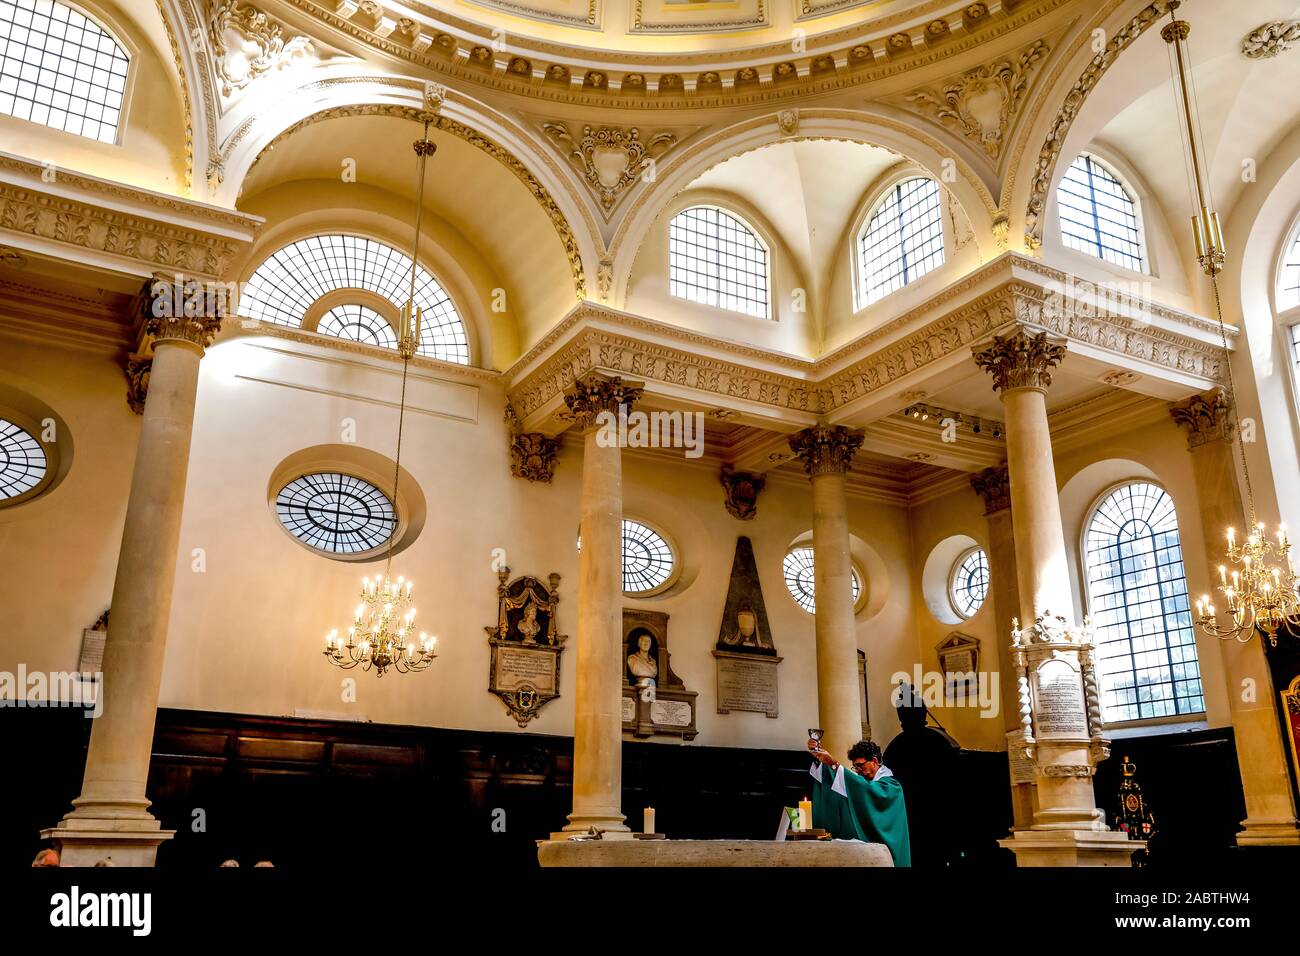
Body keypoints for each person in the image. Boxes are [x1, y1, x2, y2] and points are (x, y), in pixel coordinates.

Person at [807, 737, 912, 867]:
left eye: (860, 765)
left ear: (874, 761)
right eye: (854, 767)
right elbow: (844, 788)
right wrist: (820, 760)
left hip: (890, 856)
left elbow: (864, 789)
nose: (857, 770)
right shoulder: (862, 784)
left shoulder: (892, 787)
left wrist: (833, 763)